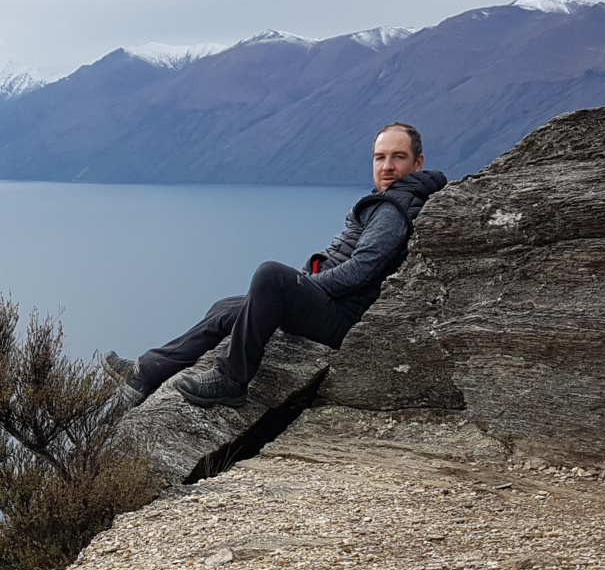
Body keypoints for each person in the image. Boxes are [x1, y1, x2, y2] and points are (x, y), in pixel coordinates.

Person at [107, 122, 447, 409]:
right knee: (227, 307)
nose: (387, 166)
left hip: (344, 318)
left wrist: (302, 286)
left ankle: (231, 380)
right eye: (380, 157)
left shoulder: (392, 209)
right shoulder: (391, 200)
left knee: (271, 275)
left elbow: (361, 270)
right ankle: (146, 372)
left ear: (417, 163)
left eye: (398, 157)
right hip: (333, 303)